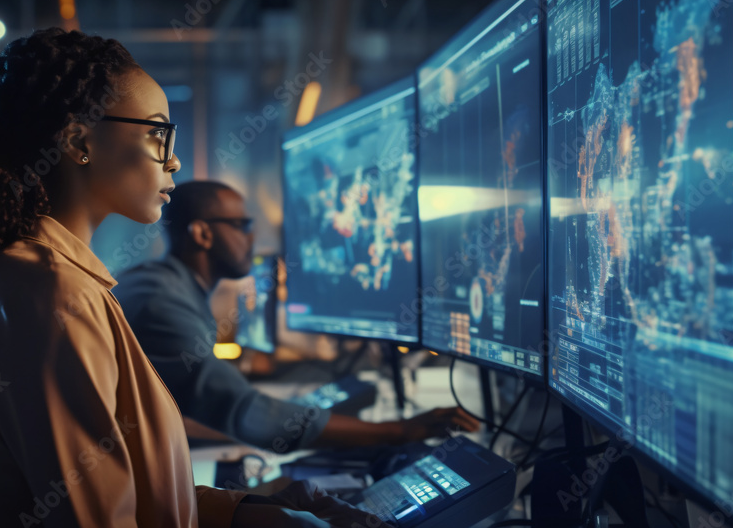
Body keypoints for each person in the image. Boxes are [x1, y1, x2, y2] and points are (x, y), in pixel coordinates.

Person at [0, 27, 388, 528]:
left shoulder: (44, 277)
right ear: (79, 142)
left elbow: (128, 493)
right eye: (157, 133)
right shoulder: (52, 295)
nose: (173, 158)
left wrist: (250, 513)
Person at [112, 180, 480, 453]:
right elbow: (243, 411)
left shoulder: (163, 284)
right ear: (202, 233)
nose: (252, 238)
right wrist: (399, 431)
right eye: (242, 225)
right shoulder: (161, 302)